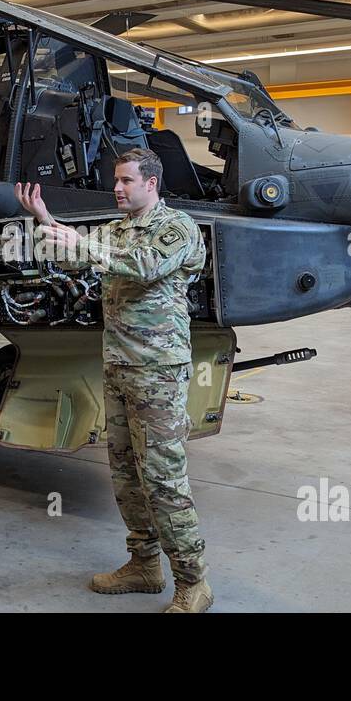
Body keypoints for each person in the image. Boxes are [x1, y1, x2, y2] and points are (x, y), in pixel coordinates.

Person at [14, 147, 212, 613]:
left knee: (163, 479)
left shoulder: (176, 227)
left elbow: (144, 265)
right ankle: (144, 564)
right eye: (115, 181)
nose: (117, 188)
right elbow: (75, 261)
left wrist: (80, 243)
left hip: (158, 370)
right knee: (125, 475)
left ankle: (193, 581)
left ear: (151, 183)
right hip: (119, 366)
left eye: (126, 181)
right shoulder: (115, 230)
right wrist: (45, 219)